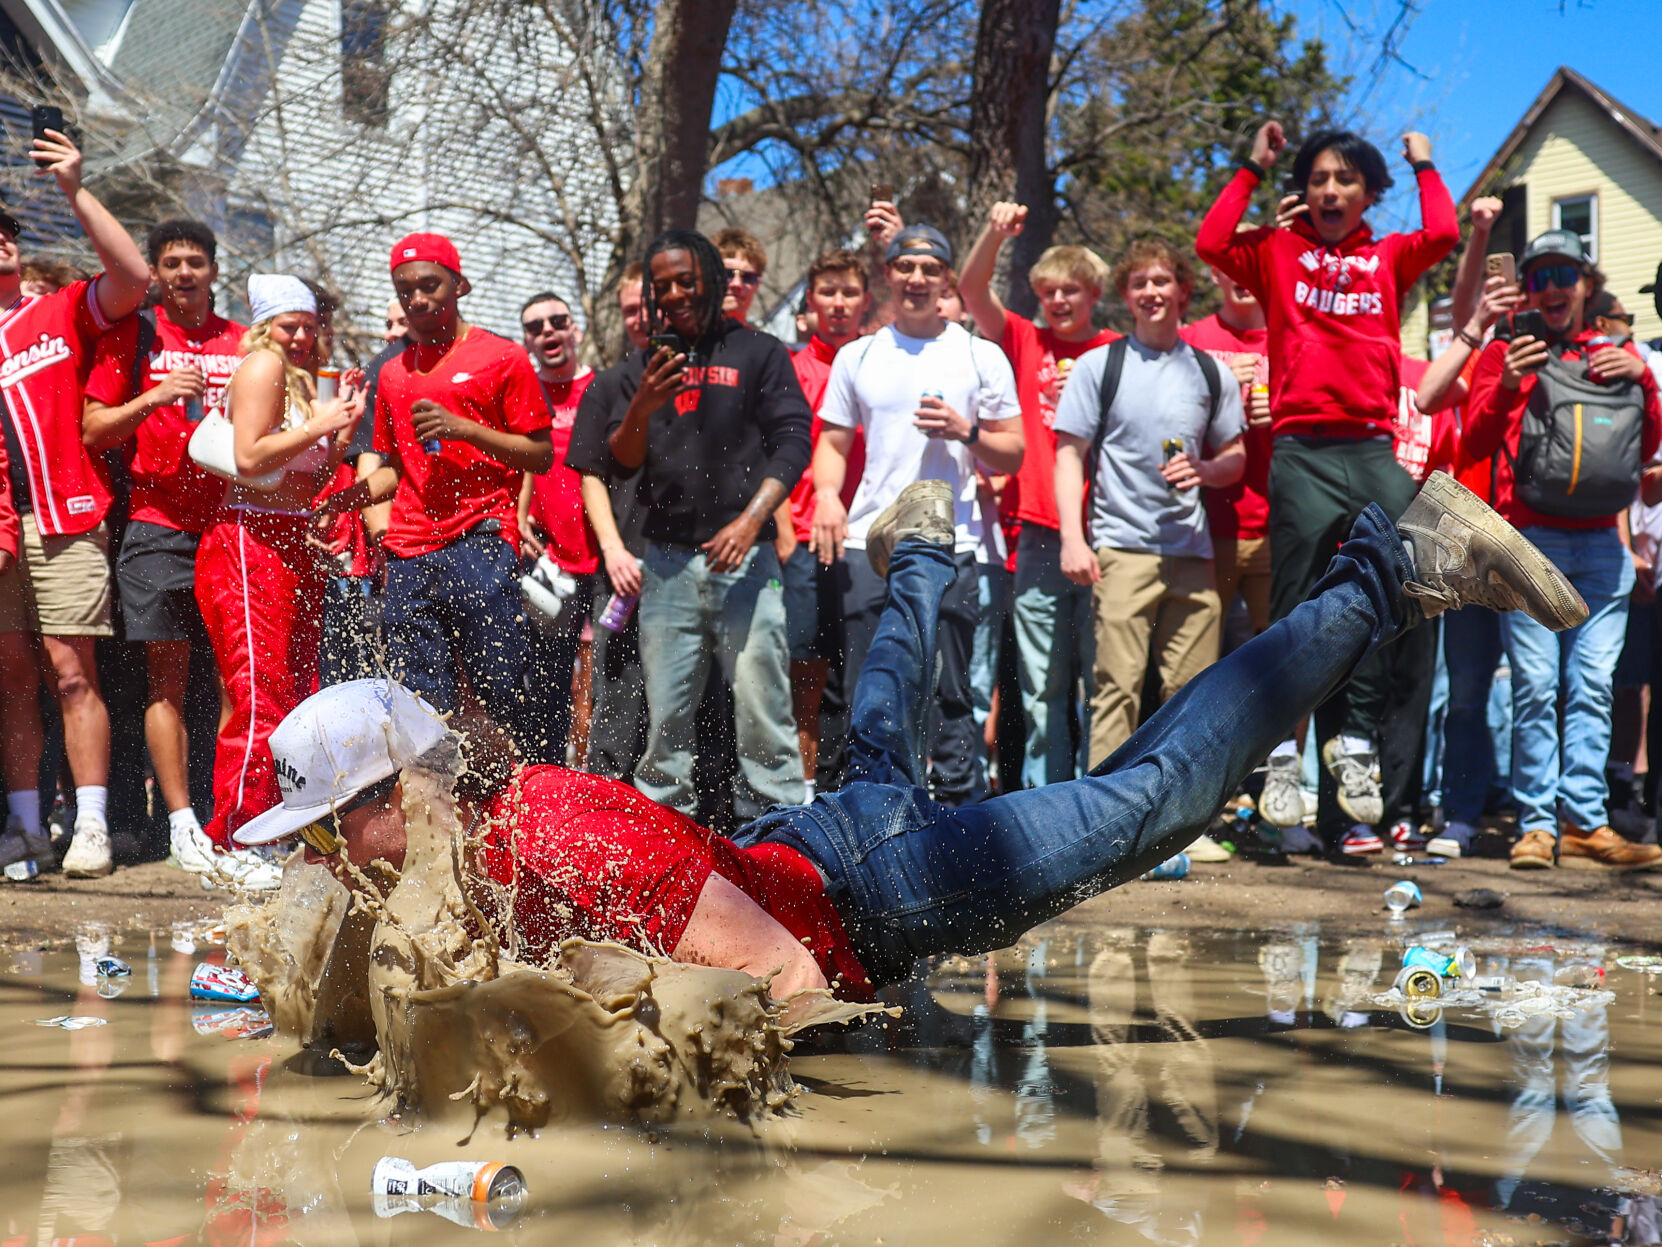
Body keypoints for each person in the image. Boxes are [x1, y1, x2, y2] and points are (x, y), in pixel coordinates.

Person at [233, 473, 1586, 1002]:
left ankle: (1378, 564)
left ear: (397, 791)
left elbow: (789, 985)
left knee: (1150, 802)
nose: (325, 865)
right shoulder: (470, 849)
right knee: (875, 756)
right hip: (802, 849)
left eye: (325, 829)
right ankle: (925, 547)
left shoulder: (552, 838)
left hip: (869, 903)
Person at [1196, 120, 1460, 859]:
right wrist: (1254, 167)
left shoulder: (1388, 256)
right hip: (1304, 449)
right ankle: (1283, 753)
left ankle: (1353, 740)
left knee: (1391, 583)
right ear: (1302, 193)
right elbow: (1212, 242)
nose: (1330, 190)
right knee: (1297, 601)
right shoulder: (1280, 251)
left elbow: (1441, 230)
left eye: (1345, 180)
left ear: (1369, 191)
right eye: (1317, 180)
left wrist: (1425, 162)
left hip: (1373, 447)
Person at [1464, 228, 1662, 871]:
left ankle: (1584, 821)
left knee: (1592, 687)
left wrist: (1646, 382)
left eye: (1564, 275)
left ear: (1586, 284)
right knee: (1536, 685)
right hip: (1530, 542)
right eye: (1539, 277)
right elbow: (1475, 440)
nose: (1551, 288)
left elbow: (1646, 445)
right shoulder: (1507, 352)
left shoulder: (1617, 353)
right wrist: (1506, 384)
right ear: (1527, 288)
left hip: (1604, 544)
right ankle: (1536, 825)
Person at [812, 223, 1023, 805]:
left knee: (950, 690)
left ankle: (959, 818)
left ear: (946, 279)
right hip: (867, 542)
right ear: (888, 275)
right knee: (865, 687)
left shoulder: (980, 355)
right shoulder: (861, 354)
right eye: (905, 267)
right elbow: (831, 442)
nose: (917, 279)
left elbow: (1015, 448)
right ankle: (866, 813)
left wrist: (967, 431)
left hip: (955, 543)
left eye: (930, 270)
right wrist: (828, 495)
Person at [606, 230, 811, 819]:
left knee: (761, 708)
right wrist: (643, 403)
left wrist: (752, 522)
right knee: (665, 719)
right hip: (665, 564)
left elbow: (794, 442)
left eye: (686, 282)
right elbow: (620, 460)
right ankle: (667, 846)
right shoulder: (645, 365)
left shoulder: (760, 352)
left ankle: (779, 840)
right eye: (661, 285)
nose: (673, 295)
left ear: (713, 282)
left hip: (746, 561)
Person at [0, 126, 150, 881]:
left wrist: (74, 189)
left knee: (71, 671)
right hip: (0, 529)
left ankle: (89, 823)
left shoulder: (55, 311)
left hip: (62, 519)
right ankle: (25, 828)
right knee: (12, 676)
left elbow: (131, 279)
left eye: (5, 233)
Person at [82, 219, 246, 877]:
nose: (184, 272)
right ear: (154, 270)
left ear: (213, 270)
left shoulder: (244, 341)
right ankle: (178, 823)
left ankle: (222, 816)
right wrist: (154, 396)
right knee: (166, 680)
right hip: (156, 526)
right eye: (171, 262)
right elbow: (93, 428)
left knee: (230, 682)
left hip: (230, 527)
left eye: (195, 261)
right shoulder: (137, 334)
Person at [192, 275, 364, 881]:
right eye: (290, 325)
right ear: (266, 324)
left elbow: (309, 479)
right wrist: (323, 425)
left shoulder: (304, 382)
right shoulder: (262, 364)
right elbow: (248, 458)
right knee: (259, 690)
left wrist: (343, 428)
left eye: (310, 326)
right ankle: (236, 837)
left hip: (290, 539)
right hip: (247, 538)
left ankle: (278, 827)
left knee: (292, 693)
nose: (301, 337)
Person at [1053, 238, 1246, 766]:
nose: (1151, 292)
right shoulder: (1100, 367)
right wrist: (1073, 538)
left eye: (1161, 281)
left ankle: (1185, 821)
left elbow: (1236, 455)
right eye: (1139, 283)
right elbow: (1068, 454)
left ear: (1183, 291)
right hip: (1122, 549)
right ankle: (1105, 825)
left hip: (1193, 553)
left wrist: (1206, 470)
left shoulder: (1212, 373)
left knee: (1192, 695)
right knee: (1116, 689)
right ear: (1126, 294)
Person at [958, 202, 1117, 789]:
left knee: (1105, 680)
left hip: (1111, 533)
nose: (1058, 301)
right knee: (1041, 682)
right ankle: (1050, 801)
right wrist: (995, 235)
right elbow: (973, 291)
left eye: (1070, 290)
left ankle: (1103, 797)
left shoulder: (1117, 350)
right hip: (1041, 535)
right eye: (1048, 291)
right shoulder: (1026, 342)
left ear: (1095, 292)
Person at [373, 232, 554, 746]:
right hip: (408, 550)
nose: (417, 299)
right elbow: (395, 469)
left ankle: (513, 804)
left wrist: (464, 429)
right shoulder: (391, 373)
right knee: (419, 702)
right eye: (405, 289)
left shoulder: (502, 356)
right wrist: (346, 498)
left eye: (430, 285)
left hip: (481, 539)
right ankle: (436, 817)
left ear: (459, 284)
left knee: (500, 691)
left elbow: (539, 454)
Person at [784, 249, 870, 798]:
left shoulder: (879, 362)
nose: (838, 304)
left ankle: (846, 793)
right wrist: (780, 531)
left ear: (866, 302)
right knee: (803, 675)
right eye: (828, 293)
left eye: (849, 293)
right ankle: (801, 791)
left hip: (865, 542)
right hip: (801, 537)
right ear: (810, 304)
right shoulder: (792, 369)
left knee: (856, 679)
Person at [566, 263, 651, 781]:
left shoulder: (702, 380)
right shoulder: (609, 387)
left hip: (689, 566)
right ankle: (608, 805)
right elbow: (590, 475)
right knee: (617, 697)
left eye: (648, 307)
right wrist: (615, 550)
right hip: (621, 567)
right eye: (630, 311)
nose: (640, 318)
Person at [516, 291, 596, 764]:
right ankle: (545, 784)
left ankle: (601, 787)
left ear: (575, 330)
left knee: (606, 688)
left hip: (606, 563)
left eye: (557, 321)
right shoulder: (525, 391)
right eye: (535, 326)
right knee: (545, 688)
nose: (547, 330)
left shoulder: (603, 389)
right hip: (546, 562)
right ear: (527, 339)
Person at [716, 227, 768, 326]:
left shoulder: (759, 341)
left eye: (748, 277)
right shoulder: (684, 338)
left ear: (757, 284)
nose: (737, 284)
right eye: (727, 274)